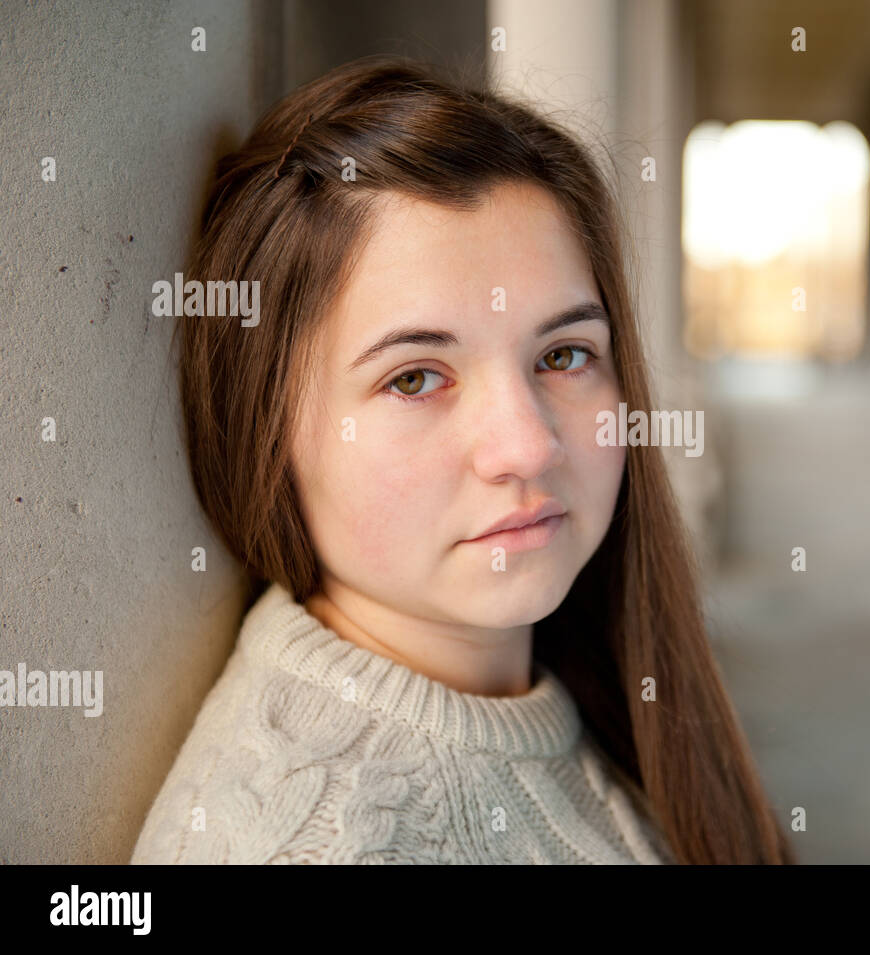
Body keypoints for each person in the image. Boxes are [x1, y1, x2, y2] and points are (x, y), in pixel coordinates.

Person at [131, 54, 794, 865]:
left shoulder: (592, 685)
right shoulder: (307, 846)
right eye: (415, 378)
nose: (528, 445)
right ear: (263, 427)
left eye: (564, 355)